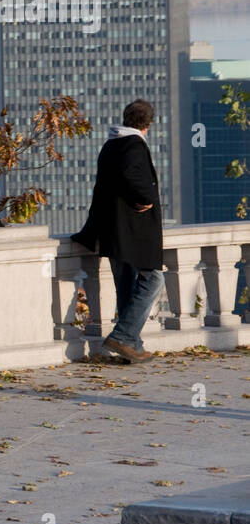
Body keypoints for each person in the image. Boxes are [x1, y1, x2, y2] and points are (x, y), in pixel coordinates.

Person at [72, 99, 163, 364]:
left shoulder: (112, 143)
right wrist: (146, 199)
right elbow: (131, 174)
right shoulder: (133, 144)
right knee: (153, 279)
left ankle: (131, 345)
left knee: (126, 285)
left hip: (112, 229)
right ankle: (123, 337)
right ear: (149, 123)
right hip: (131, 229)